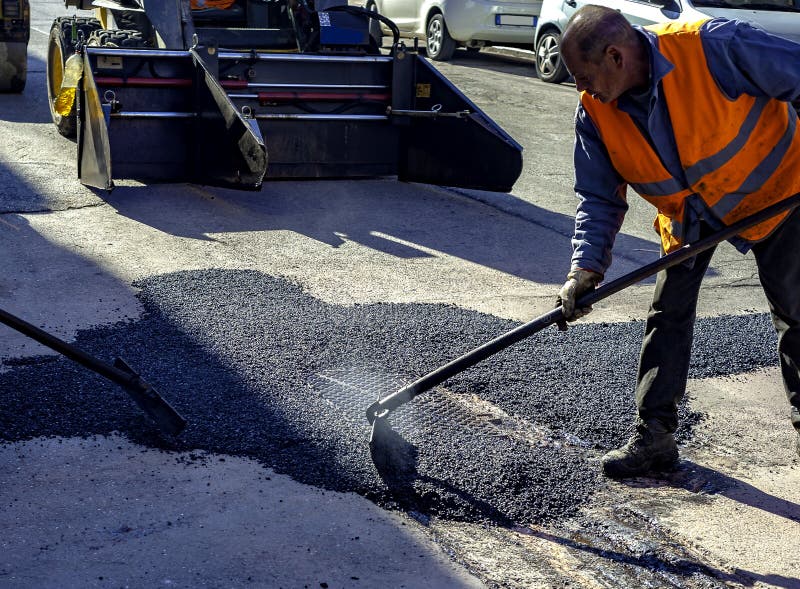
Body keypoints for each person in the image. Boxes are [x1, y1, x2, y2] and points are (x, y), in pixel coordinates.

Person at [555, 5, 800, 478]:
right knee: (667, 314)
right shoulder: (594, 112)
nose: (581, 88)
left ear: (615, 56)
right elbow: (599, 197)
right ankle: (655, 438)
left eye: (585, 76)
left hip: (778, 191)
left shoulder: (712, 47)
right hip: (691, 215)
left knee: (796, 316)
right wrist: (584, 270)